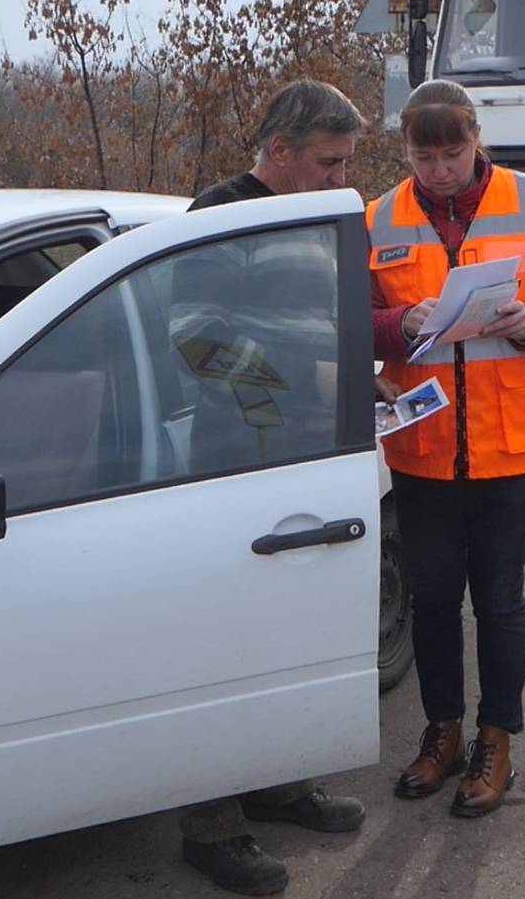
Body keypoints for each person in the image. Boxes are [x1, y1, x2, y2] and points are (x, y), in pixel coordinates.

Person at [370, 79, 525, 818]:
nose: (438, 168)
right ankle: (441, 734)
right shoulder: (378, 218)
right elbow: (353, 320)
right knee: (433, 598)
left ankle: (495, 740)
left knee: (498, 600)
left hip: (513, 445)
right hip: (423, 447)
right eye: (423, 154)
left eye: (452, 151)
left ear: (477, 141)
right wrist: (401, 324)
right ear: (403, 149)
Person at [176, 79, 368, 897]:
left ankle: (280, 782)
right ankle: (210, 824)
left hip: (309, 455)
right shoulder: (220, 214)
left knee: (293, 636)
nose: (337, 178)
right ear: (278, 152)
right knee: (222, 645)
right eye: (326, 163)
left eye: (345, 165)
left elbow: (323, 318)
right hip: (232, 459)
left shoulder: (314, 213)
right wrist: (305, 380)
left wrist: (362, 379)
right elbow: (191, 340)